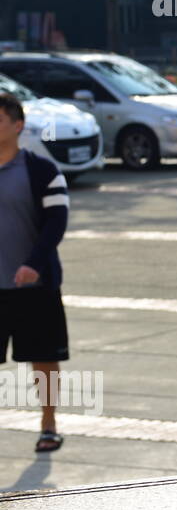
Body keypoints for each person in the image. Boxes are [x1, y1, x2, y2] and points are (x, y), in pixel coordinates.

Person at [0, 91, 71, 452]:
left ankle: (48, 425)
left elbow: (56, 222)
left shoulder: (42, 171)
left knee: (44, 358)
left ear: (18, 125)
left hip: (34, 285)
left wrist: (34, 264)